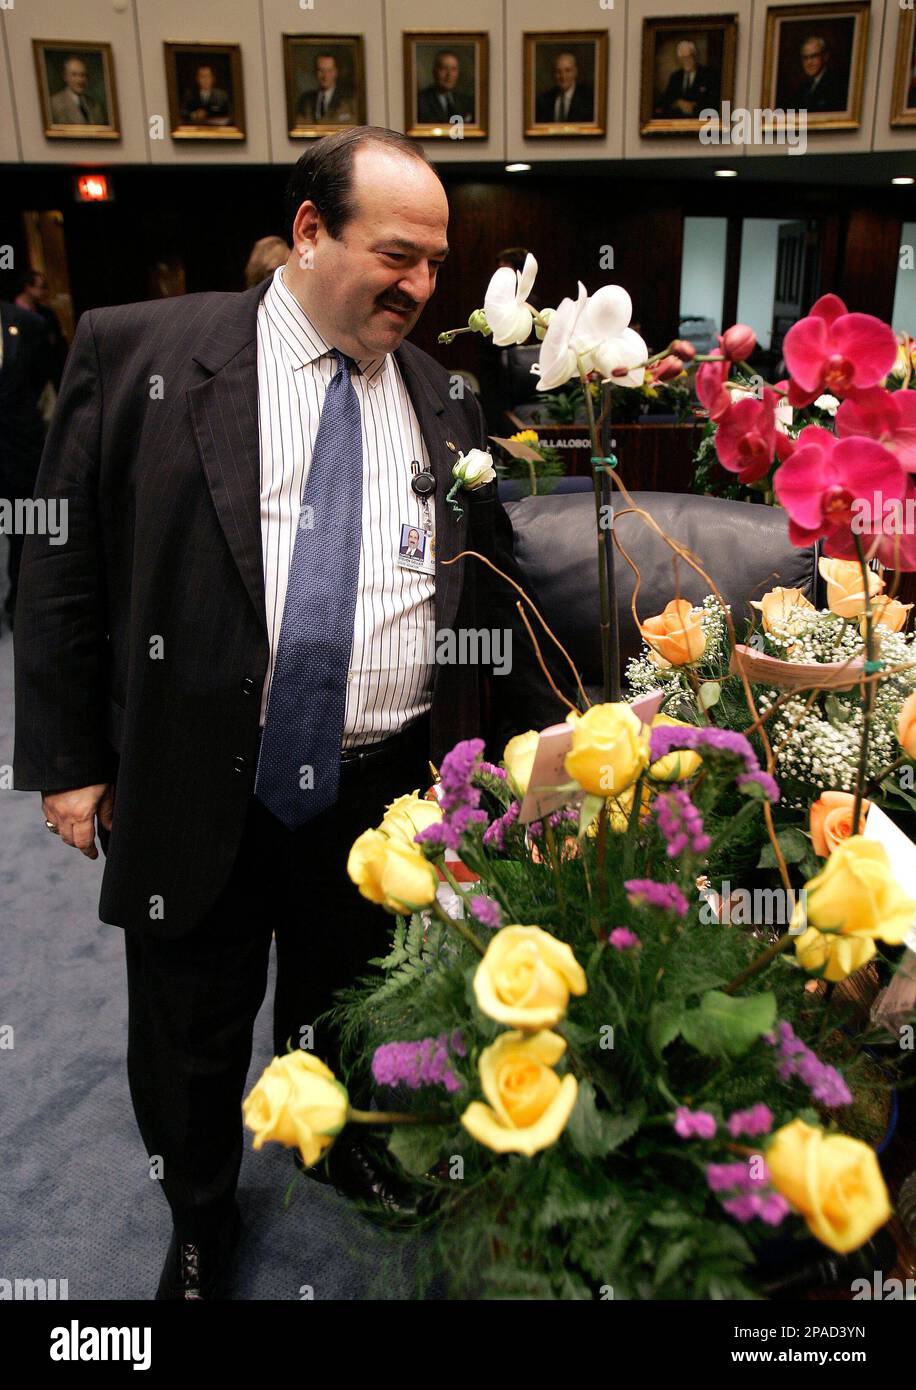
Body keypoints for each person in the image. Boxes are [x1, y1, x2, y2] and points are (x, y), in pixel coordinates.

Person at [13, 125, 574, 1301]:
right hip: (198, 766)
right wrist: (67, 759)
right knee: (190, 1024)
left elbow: (492, 582)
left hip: (380, 785)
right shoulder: (140, 350)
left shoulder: (445, 395)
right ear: (311, 231)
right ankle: (199, 1213)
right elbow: (59, 567)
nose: (419, 286)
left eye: (435, 264)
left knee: (349, 995)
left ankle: (336, 1141)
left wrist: (541, 750)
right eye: (396, 255)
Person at [0, 301, 51, 629]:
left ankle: (23, 601)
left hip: (18, 444)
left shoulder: (27, 322)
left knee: (25, 528)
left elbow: (39, 377)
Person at [14, 270, 68, 389]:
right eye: (42, 287)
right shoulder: (11, 314)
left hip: (48, 372)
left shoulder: (46, 313)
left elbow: (57, 340)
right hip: (24, 376)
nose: (45, 291)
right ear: (28, 287)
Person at [659, 40, 720, 118]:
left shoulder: (709, 75)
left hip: (701, 120)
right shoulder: (675, 77)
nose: (686, 61)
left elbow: (714, 103)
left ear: (695, 57)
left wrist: (694, 107)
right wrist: (677, 103)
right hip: (678, 121)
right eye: (683, 58)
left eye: (689, 56)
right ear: (679, 60)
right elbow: (665, 101)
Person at [786, 35, 846, 113]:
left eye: (814, 56)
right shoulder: (802, 90)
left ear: (825, 57)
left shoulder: (837, 85)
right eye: (805, 58)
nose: (809, 62)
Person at [535, 51, 594, 124]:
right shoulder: (544, 100)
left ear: (575, 72)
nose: (563, 76)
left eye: (567, 71)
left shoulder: (588, 99)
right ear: (553, 74)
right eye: (558, 71)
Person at [417, 49, 474, 124]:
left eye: (453, 69)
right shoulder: (420, 101)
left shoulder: (466, 101)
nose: (449, 74)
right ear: (434, 71)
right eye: (444, 68)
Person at [296, 53, 355, 124]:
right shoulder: (305, 100)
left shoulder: (349, 100)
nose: (325, 76)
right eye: (321, 71)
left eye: (329, 71)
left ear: (336, 72)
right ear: (315, 72)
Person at [49, 55, 105, 125]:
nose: (79, 80)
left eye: (82, 75)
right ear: (65, 77)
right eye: (74, 75)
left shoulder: (94, 105)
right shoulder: (54, 104)